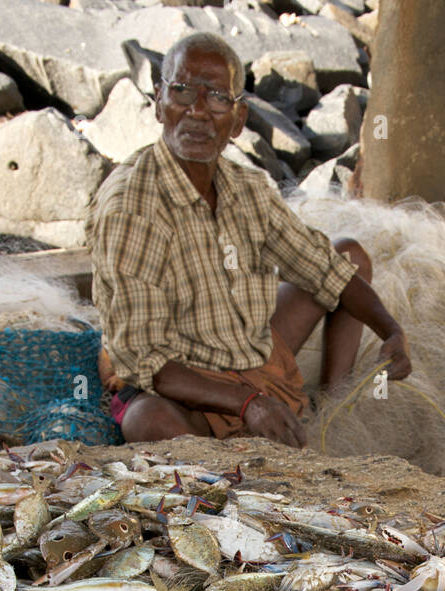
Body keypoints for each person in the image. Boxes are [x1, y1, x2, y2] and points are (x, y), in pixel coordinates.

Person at [87, 32, 411, 448]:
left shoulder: (247, 188)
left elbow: (327, 269)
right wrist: (250, 404)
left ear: (238, 121)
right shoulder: (130, 207)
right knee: (149, 423)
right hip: (177, 381)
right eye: (182, 91)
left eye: (217, 98)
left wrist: (391, 329)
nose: (198, 111)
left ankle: (329, 412)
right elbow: (149, 363)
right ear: (158, 103)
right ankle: (242, 428)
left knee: (348, 256)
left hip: (246, 355)